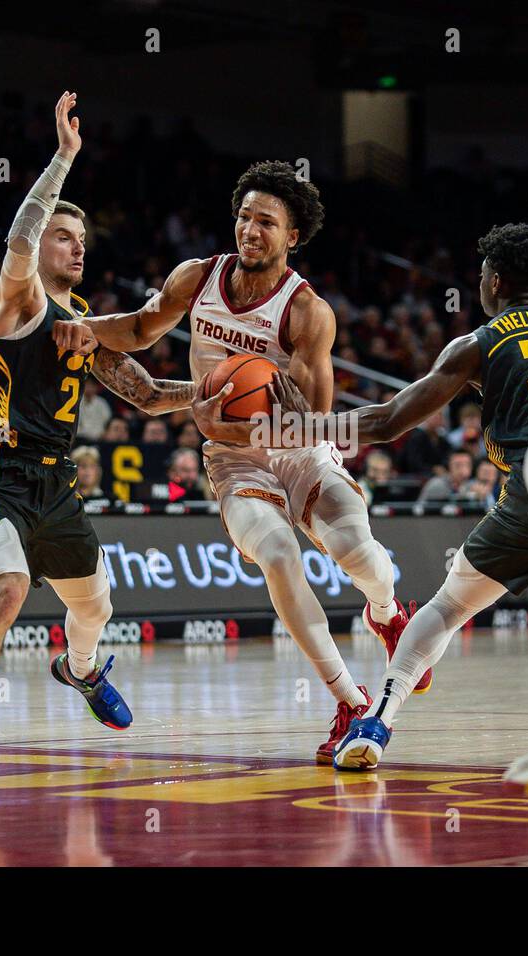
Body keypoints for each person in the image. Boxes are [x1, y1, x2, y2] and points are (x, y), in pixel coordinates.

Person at [251, 223, 528, 772]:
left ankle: (378, 723)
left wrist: (302, 429)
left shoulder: (478, 344)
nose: (479, 283)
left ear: (497, 280)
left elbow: (389, 422)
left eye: (482, 273)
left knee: (446, 607)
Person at [92, 159, 417, 764]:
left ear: (292, 237)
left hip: (300, 451)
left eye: (266, 221)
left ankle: (386, 610)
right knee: (276, 554)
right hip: (236, 462)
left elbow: (316, 421)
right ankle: (350, 700)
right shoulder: (198, 278)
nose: (249, 229)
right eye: (244, 216)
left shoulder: (307, 312)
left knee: (356, 550)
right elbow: (138, 329)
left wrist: (230, 419)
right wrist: (82, 328)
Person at [0, 92, 196, 775]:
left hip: (55, 483)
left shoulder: (85, 326)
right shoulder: (16, 303)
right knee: (8, 590)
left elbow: (150, 395)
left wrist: (212, 391)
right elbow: (19, 239)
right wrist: (64, 158)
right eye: (64, 236)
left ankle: (79, 670)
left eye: (82, 239)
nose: (77, 246)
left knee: (97, 605)